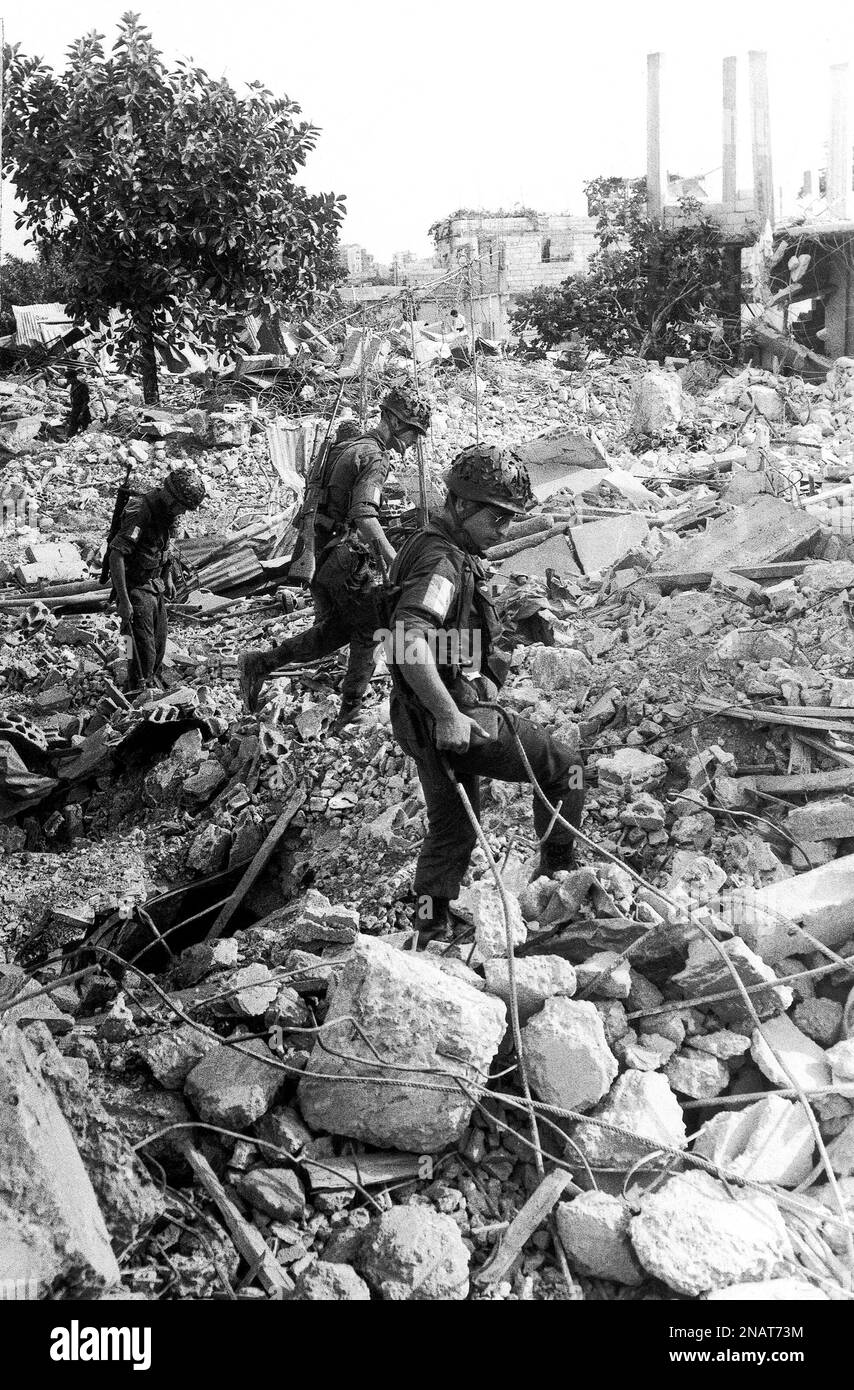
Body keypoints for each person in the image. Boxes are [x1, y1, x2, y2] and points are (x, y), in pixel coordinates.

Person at [386, 443, 585, 945]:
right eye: (496, 518)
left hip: (418, 718)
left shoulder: (429, 545)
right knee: (567, 766)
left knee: (452, 829)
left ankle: (429, 923)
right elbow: (407, 638)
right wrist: (451, 712)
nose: (503, 530)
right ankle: (560, 878)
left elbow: (440, 638)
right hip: (453, 717)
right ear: (460, 506)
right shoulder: (441, 563)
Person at [239, 383, 431, 731]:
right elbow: (365, 515)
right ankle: (350, 710)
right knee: (371, 630)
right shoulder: (375, 457)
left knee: (336, 632)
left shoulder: (350, 446)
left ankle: (262, 663)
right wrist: (391, 558)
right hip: (345, 555)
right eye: (412, 433)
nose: (412, 442)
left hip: (323, 552)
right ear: (393, 421)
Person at [108, 466, 206, 690]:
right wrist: (123, 600)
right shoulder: (140, 509)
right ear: (171, 497)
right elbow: (116, 555)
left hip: (155, 584)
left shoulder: (167, 513)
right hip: (135, 586)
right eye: (181, 506)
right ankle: (134, 685)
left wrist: (168, 576)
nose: (182, 512)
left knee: (159, 644)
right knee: (139, 645)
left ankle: (145, 679)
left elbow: (164, 547)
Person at [66, 366, 92, 436]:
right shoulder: (72, 385)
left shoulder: (82, 386)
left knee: (84, 428)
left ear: (74, 378)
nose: (68, 381)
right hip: (75, 409)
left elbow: (86, 401)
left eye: (69, 379)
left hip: (82, 410)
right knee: (73, 425)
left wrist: (81, 413)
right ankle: (69, 439)